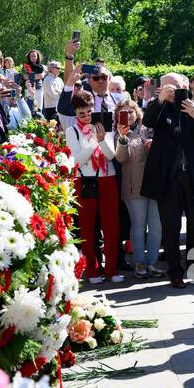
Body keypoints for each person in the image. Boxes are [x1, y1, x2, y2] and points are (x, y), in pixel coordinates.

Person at [141, 73, 194, 288]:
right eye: (170, 88)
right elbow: (148, 120)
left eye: (180, 87)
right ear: (161, 89)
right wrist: (161, 99)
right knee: (171, 228)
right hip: (169, 177)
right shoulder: (160, 107)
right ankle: (175, 272)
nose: (176, 91)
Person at [66, 89, 121, 284]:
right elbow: (76, 161)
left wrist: (101, 139)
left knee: (111, 226)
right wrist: (91, 143)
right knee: (87, 228)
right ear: (76, 113)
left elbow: (111, 155)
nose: (86, 116)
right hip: (86, 179)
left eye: (89, 111)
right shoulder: (71, 131)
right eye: (81, 113)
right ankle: (92, 270)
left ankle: (112, 269)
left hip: (107, 177)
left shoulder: (103, 126)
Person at [114, 99, 161, 278]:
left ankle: (153, 262)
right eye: (123, 113)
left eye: (131, 111)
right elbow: (120, 158)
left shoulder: (148, 130)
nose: (129, 115)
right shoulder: (118, 134)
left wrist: (152, 145)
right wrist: (123, 138)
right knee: (138, 225)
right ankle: (140, 263)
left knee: (156, 226)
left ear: (137, 113)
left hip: (154, 184)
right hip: (134, 187)